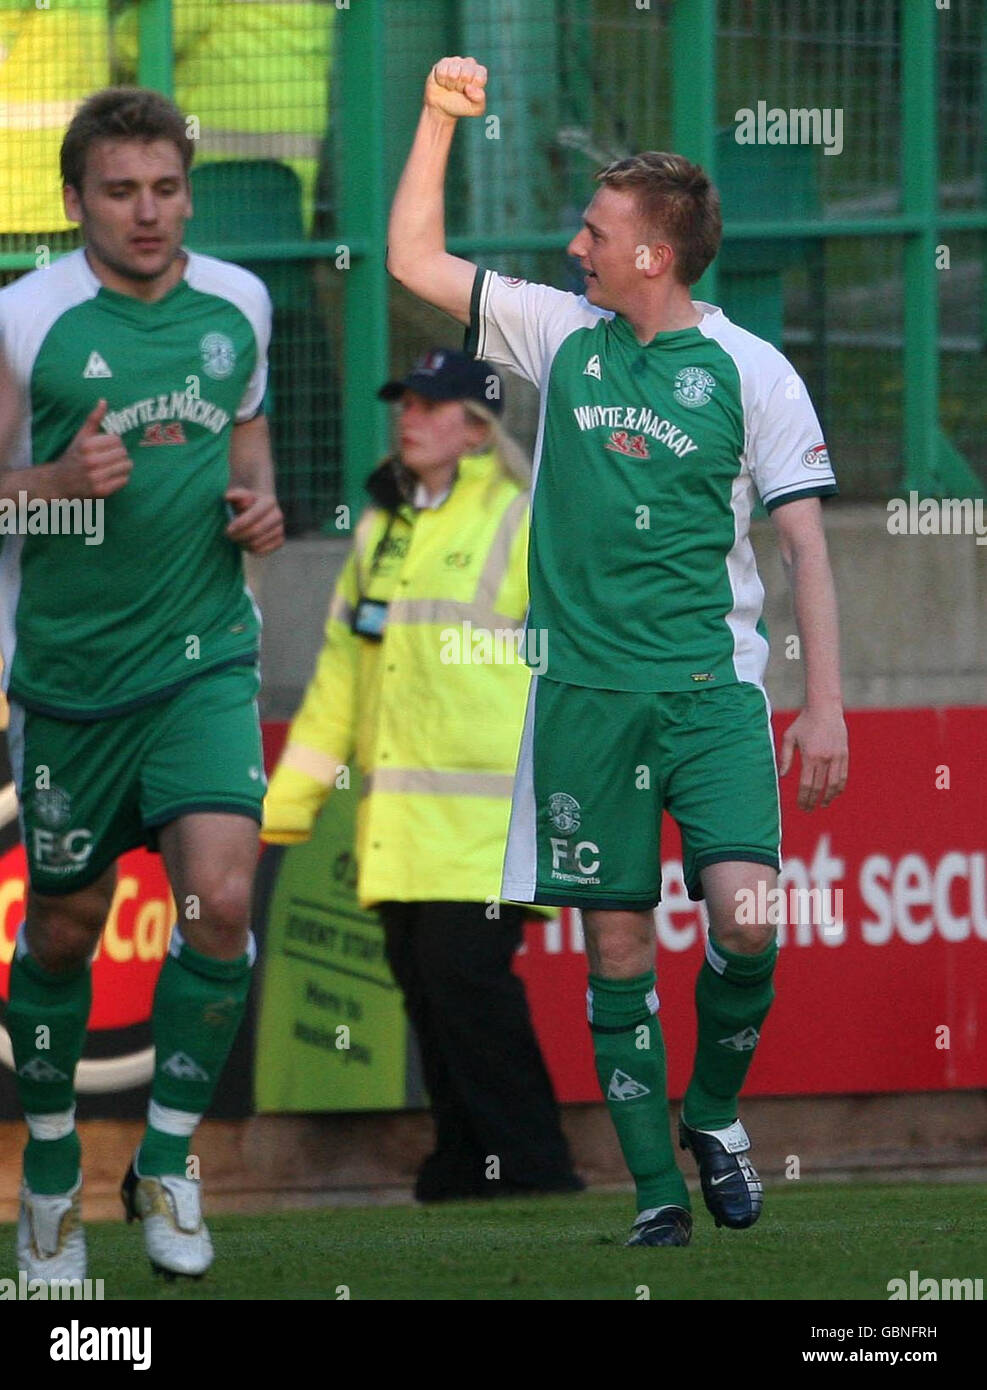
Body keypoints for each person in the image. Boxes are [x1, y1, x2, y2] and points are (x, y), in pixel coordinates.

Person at [387, 56, 849, 1246]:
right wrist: (438, 117)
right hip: (584, 698)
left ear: (656, 253)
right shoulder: (561, 334)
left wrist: (825, 705)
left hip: (712, 697)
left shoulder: (756, 373)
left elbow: (806, 550)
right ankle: (654, 1196)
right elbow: (412, 261)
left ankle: (713, 1115)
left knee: (748, 919)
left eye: (595, 229)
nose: (574, 243)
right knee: (620, 944)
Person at [0, 86, 284, 1281]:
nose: (148, 212)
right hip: (68, 682)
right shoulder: (23, 320)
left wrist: (263, 509)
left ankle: (167, 1160)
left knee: (222, 903)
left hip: (205, 660)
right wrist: (60, 477)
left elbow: (251, 449)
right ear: (75, 203)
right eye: (120, 192)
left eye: (165, 188)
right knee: (62, 931)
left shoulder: (243, 304)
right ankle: (53, 1178)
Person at [262, 348, 581, 1202]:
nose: (409, 415)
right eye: (404, 400)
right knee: (429, 991)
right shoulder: (384, 528)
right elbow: (342, 676)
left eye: (431, 406)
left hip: (487, 825)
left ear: (476, 430)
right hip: (401, 828)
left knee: (466, 986)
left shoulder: (519, 521)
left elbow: (576, 654)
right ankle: (465, 1164)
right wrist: (289, 801)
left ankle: (535, 1166)